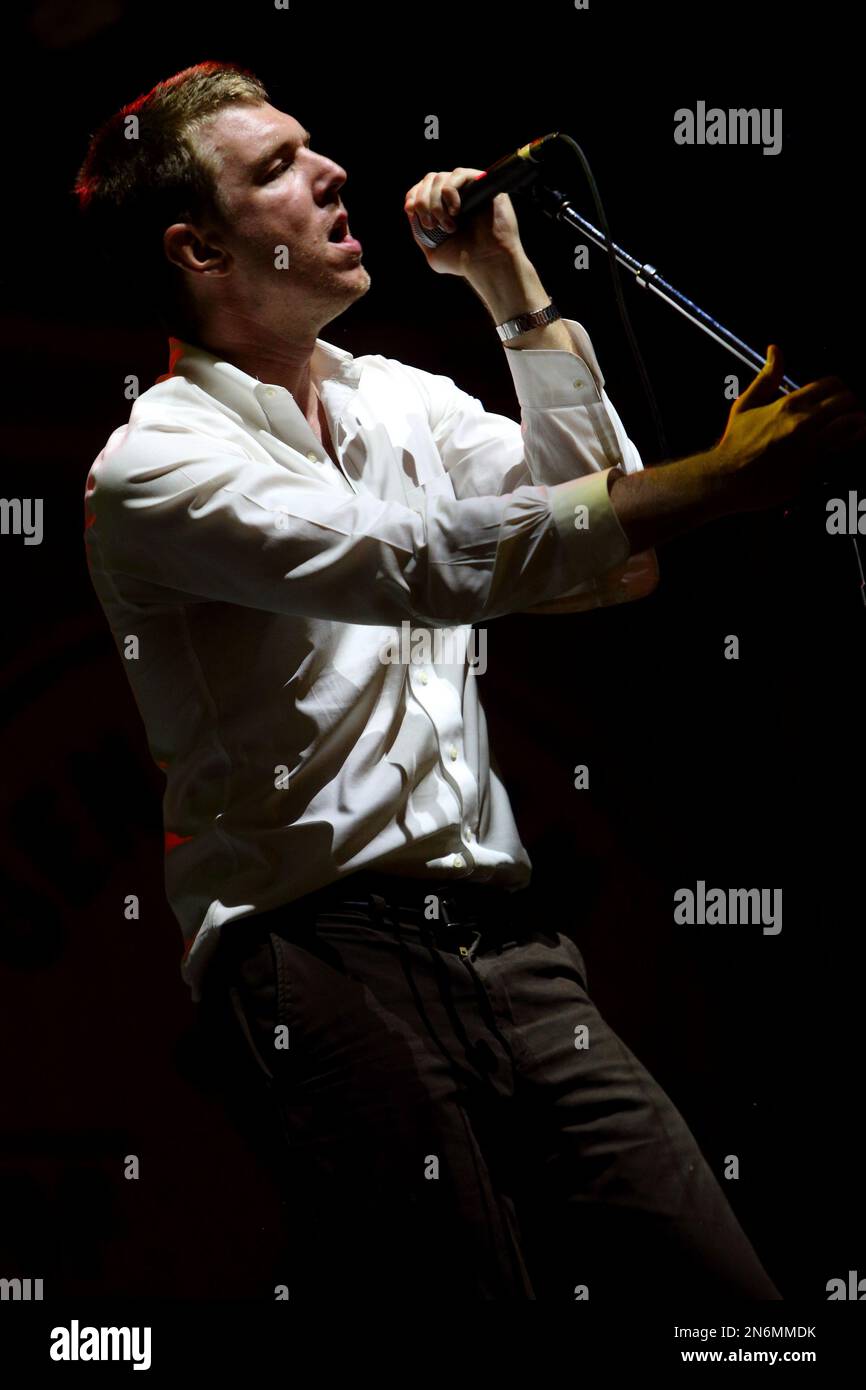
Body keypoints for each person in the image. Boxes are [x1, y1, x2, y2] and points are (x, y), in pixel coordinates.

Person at [76, 62, 865, 1301]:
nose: (331, 170)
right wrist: (719, 478)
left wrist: (509, 285)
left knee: (730, 1307)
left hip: (512, 949)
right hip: (315, 958)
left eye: (309, 144)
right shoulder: (154, 465)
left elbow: (610, 565)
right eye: (276, 166)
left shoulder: (393, 399)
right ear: (200, 248)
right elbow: (425, 562)